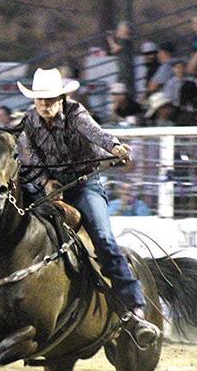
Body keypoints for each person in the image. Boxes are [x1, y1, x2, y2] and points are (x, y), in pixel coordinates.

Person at [15, 67, 160, 341]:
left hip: (84, 185)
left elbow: (96, 133)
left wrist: (115, 147)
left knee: (104, 239)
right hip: (51, 186)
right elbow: (31, 159)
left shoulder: (75, 113)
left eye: (50, 99)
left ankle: (134, 304)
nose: (45, 105)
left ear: (61, 98)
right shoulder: (29, 123)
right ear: (34, 100)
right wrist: (46, 183)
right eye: (40, 100)